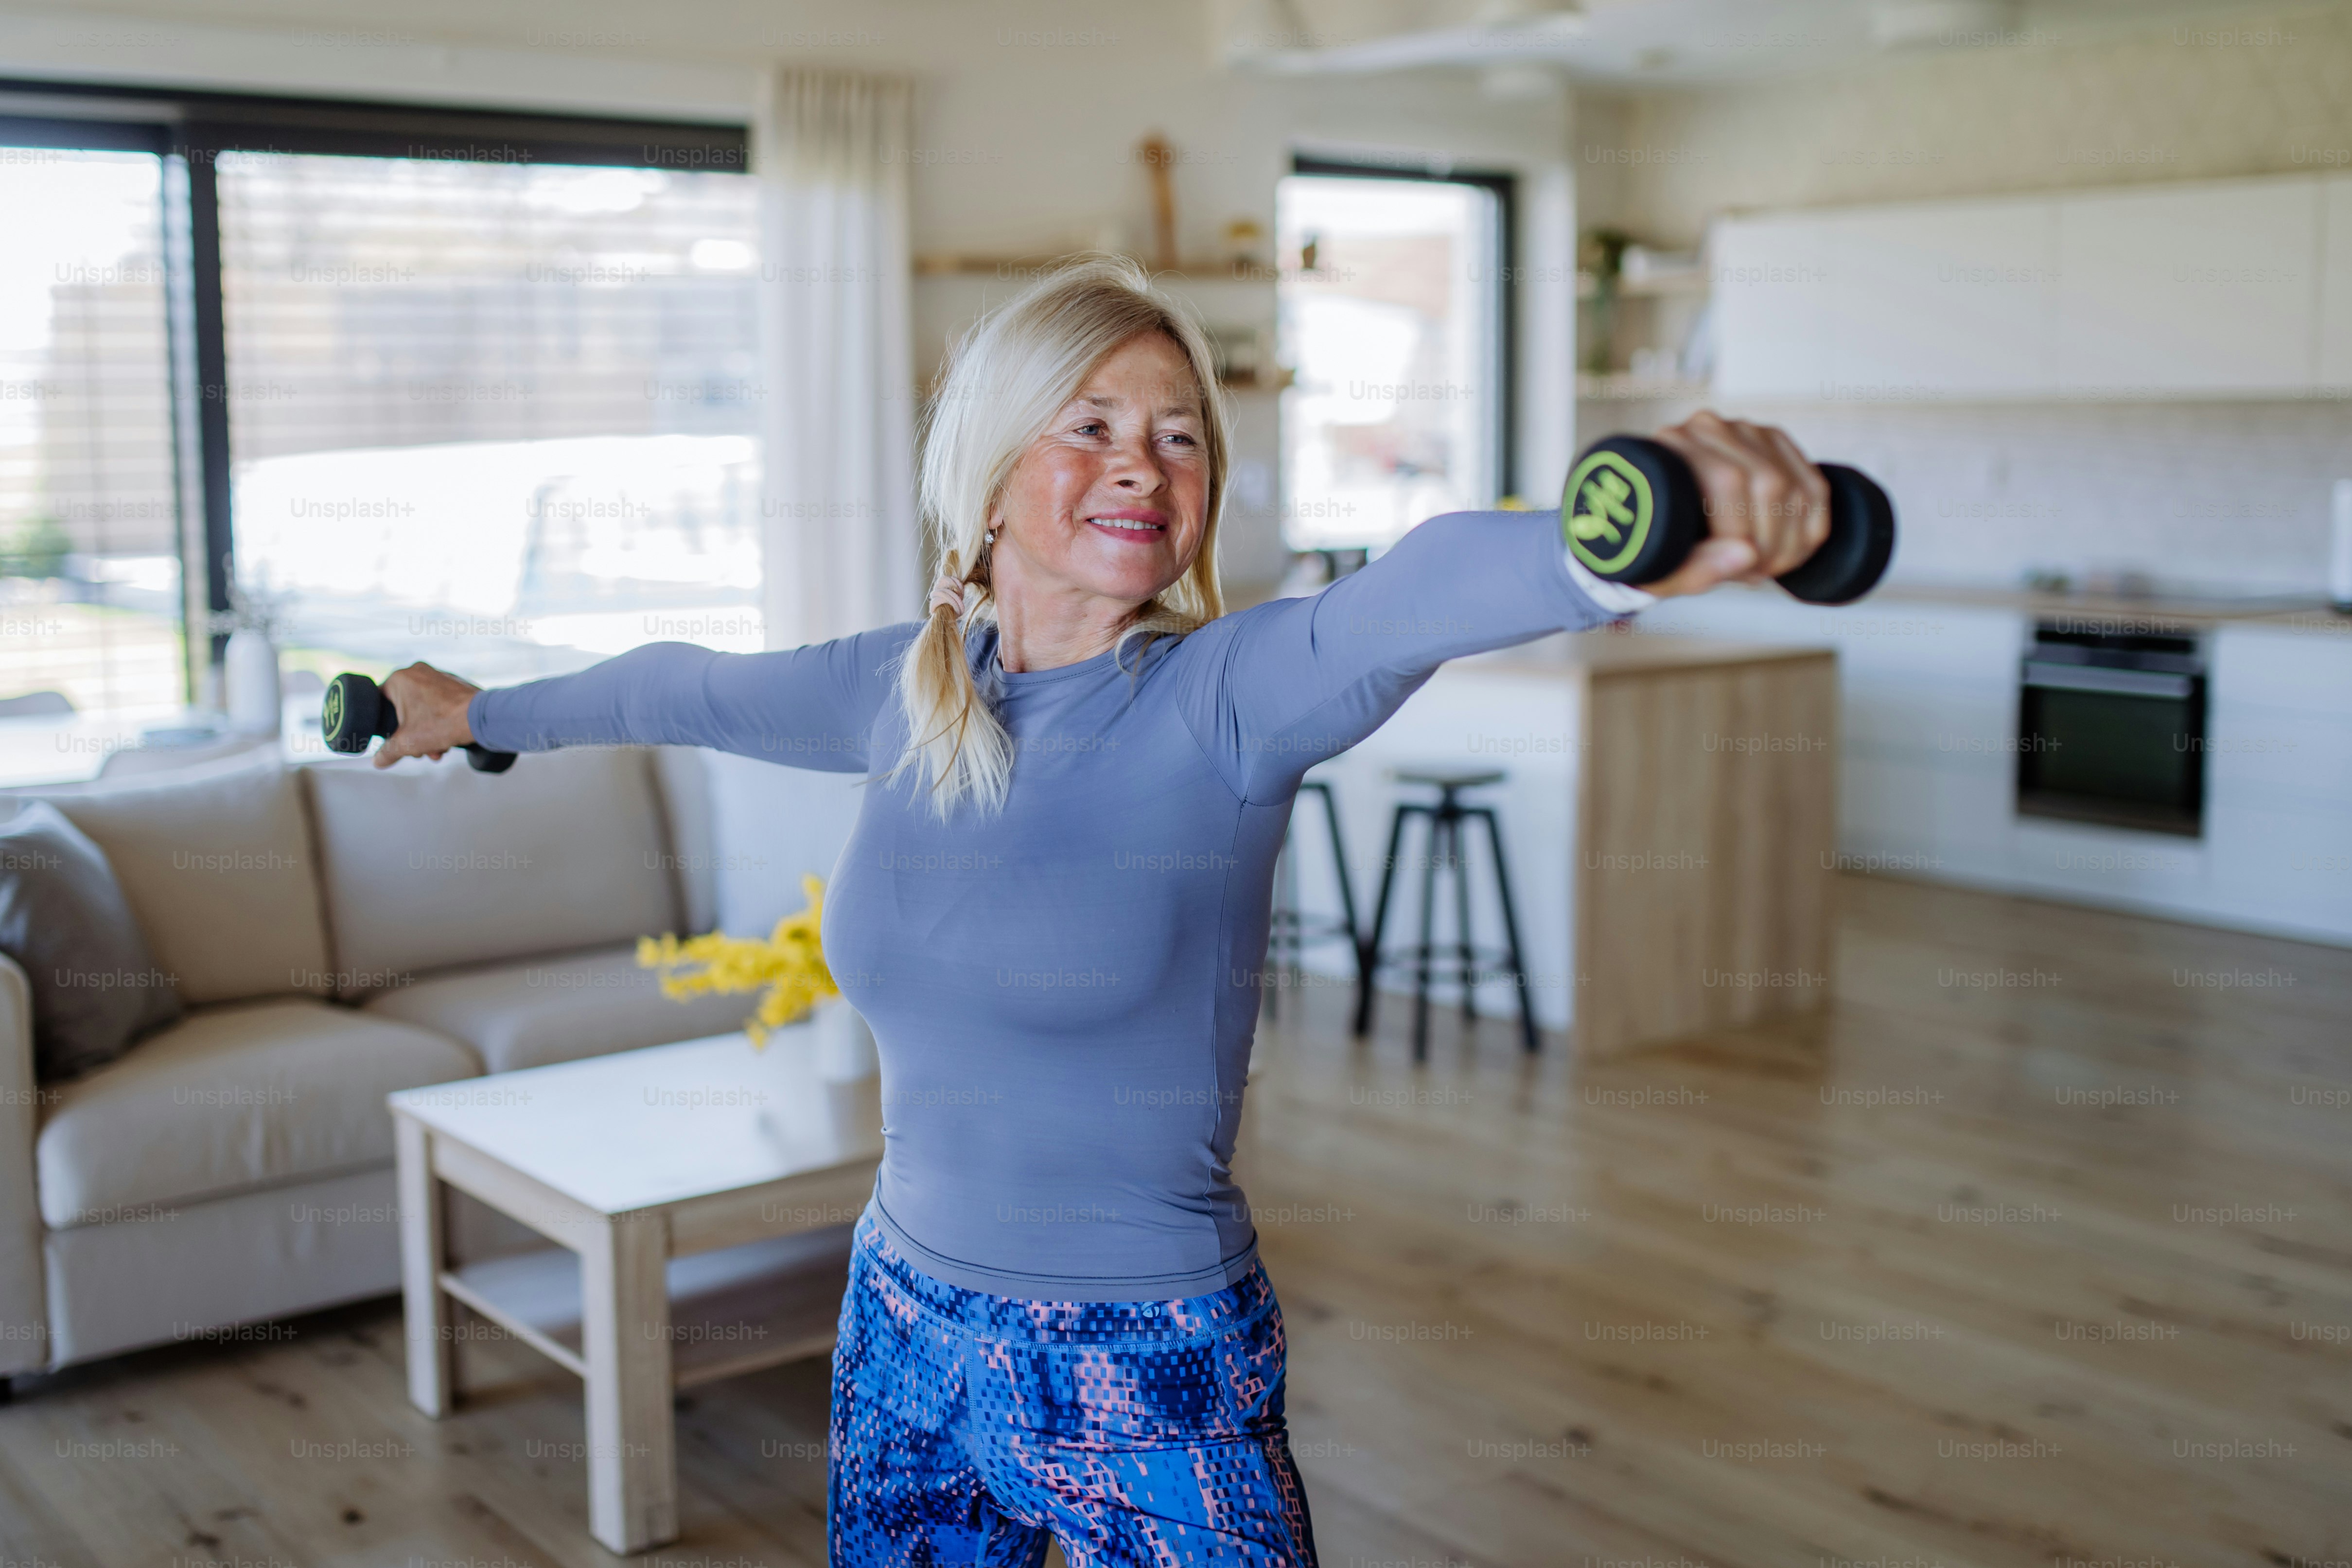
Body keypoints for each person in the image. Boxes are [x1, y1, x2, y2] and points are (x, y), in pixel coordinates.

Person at [376, 256, 1828, 1567]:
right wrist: (478, 709)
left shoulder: (1226, 700)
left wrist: (1603, 540)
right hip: (899, 1320)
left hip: (1149, 1362)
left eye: (1178, 434)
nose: (1143, 462)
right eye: (1093, 424)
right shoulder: (903, 689)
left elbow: (1409, 596)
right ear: (994, 470)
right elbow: (677, 684)